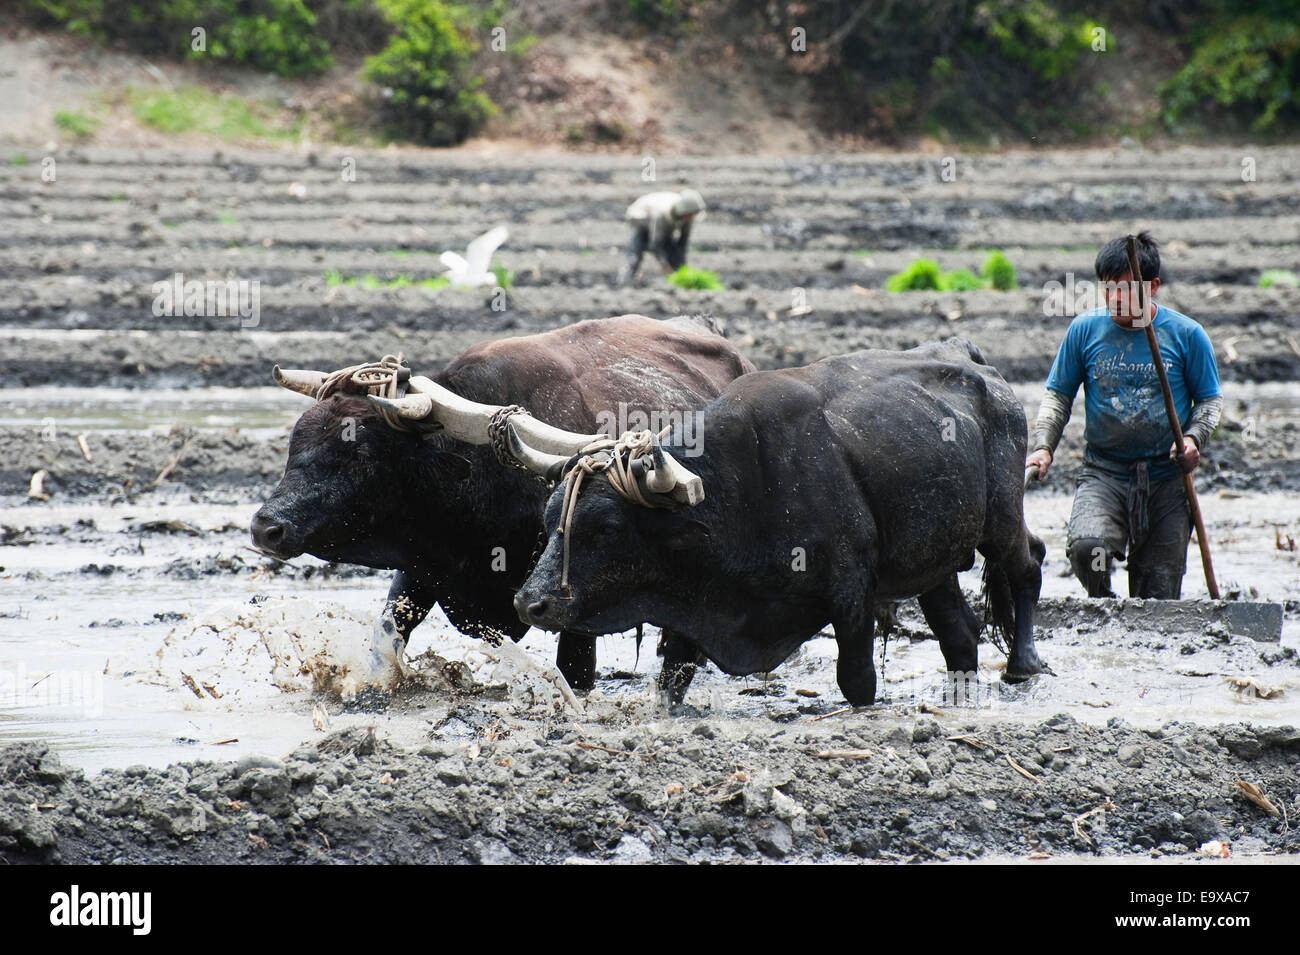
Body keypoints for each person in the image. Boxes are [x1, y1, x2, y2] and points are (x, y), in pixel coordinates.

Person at [1025, 232, 1223, 599]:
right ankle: (1104, 607)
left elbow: (1209, 403)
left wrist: (1193, 440)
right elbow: (1058, 397)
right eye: (1109, 288)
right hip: (1106, 472)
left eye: (1128, 289)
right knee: (1089, 550)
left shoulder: (1187, 335)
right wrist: (1043, 446)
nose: (1116, 299)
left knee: (1157, 594)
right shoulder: (1085, 331)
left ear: (1153, 288)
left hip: (1166, 478)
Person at [616, 188, 705, 286]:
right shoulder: (662, 213)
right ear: (684, 212)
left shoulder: (689, 216)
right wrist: (665, 266)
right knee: (635, 251)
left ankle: (678, 281)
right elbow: (655, 244)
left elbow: (682, 243)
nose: (691, 217)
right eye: (690, 215)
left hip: (662, 222)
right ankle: (625, 282)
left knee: (673, 252)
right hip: (640, 217)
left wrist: (683, 267)